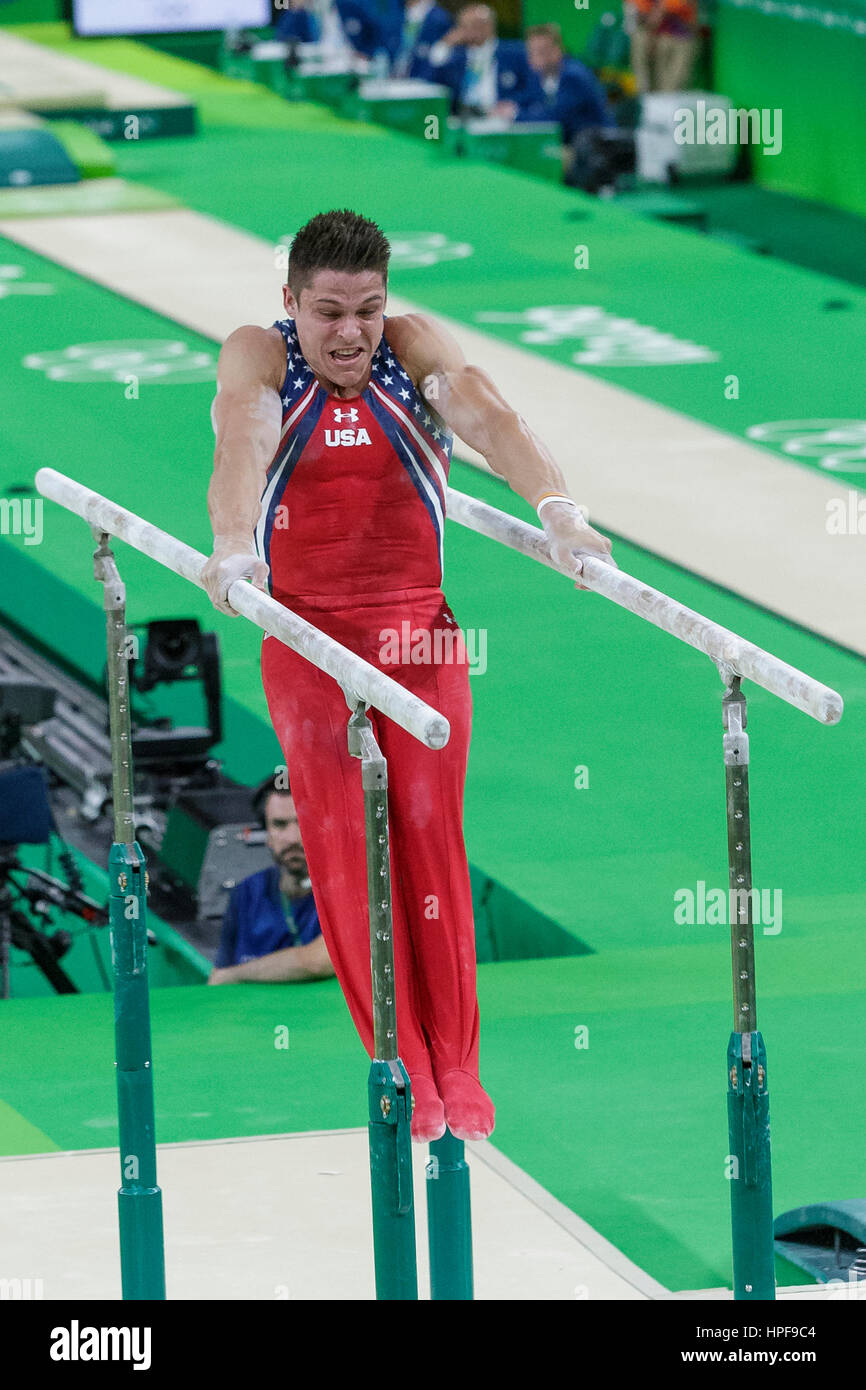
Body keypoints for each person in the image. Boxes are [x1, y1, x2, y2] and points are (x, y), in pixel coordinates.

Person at [201, 208, 616, 1142]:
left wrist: (557, 508)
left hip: (420, 640)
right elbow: (240, 442)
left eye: (369, 311)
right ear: (289, 304)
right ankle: (400, 1057)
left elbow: (491, 415)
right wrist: (234, 546)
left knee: (430, 839)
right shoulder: (258, 358)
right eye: (329, 313)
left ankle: (459, 1063)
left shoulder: (412, 346)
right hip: (307, 647)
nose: (351, 334)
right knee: (347, 846)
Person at [208, 772, 334, 984]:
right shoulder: (246, 893)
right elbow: (218, 975)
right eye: (279, 824)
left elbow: (319, 960)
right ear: (267, 833)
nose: (293, 838)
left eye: (303, 822)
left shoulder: (349, 890)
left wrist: (235, 975)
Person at [427, 3, 546, 122]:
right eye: (465, 26)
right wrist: (446, 43)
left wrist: (512, 106)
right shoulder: (457, 58)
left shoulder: (515, 53)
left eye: (477, 25)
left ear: (490, 26)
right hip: (463, 116)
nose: (471, 31)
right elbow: (431, 78)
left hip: (501, 118)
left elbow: (534, 91)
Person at [526, 22, 615, 146]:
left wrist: (515, 115)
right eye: (532, 52)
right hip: (573, 144)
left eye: (542, 51)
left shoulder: (573, 76)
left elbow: (556, 119)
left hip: (598, 148)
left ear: (557, 49)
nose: (535, 57)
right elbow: (531, 104)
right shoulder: (539, 78)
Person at [623, 0, 698, 94]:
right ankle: (644, 95)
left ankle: (664, 97)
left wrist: (660, 11)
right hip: (655, 33)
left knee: (672, 81)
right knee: (642, 46)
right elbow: (640, 16)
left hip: (680, 36)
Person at [391, 0, 453, 80]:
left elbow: (437, 58)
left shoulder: (439, 19)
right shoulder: (399, 12)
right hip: (394, 77)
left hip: (421, 80)